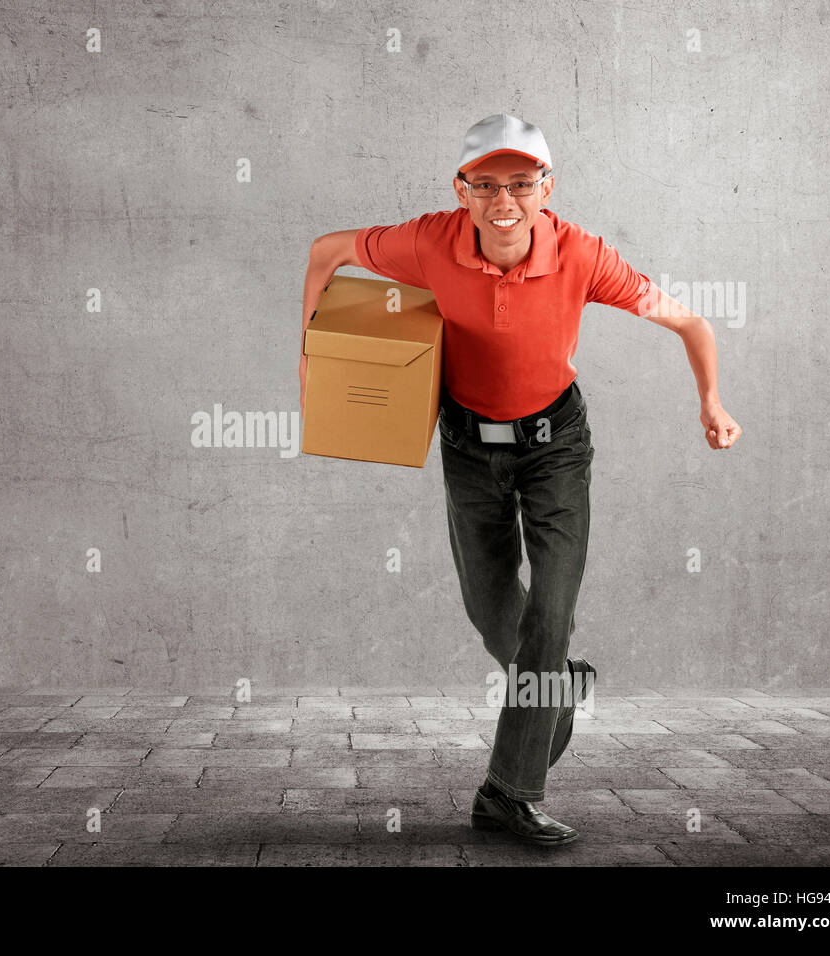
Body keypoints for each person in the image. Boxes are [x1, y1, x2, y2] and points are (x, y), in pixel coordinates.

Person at [299, 113, 741, 846]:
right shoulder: (427, 241)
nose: (504, 199)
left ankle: (509, 792)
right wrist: (310, 354)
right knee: (496, 615)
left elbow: (692, 325)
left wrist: (711, 400)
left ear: (547, 189)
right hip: (468, 446)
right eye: (487, 184)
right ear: (462, 190)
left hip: (556, 447)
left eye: (522, 183)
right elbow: (327, 252)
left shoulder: (585, 256)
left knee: (552, 612)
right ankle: (557, 686)